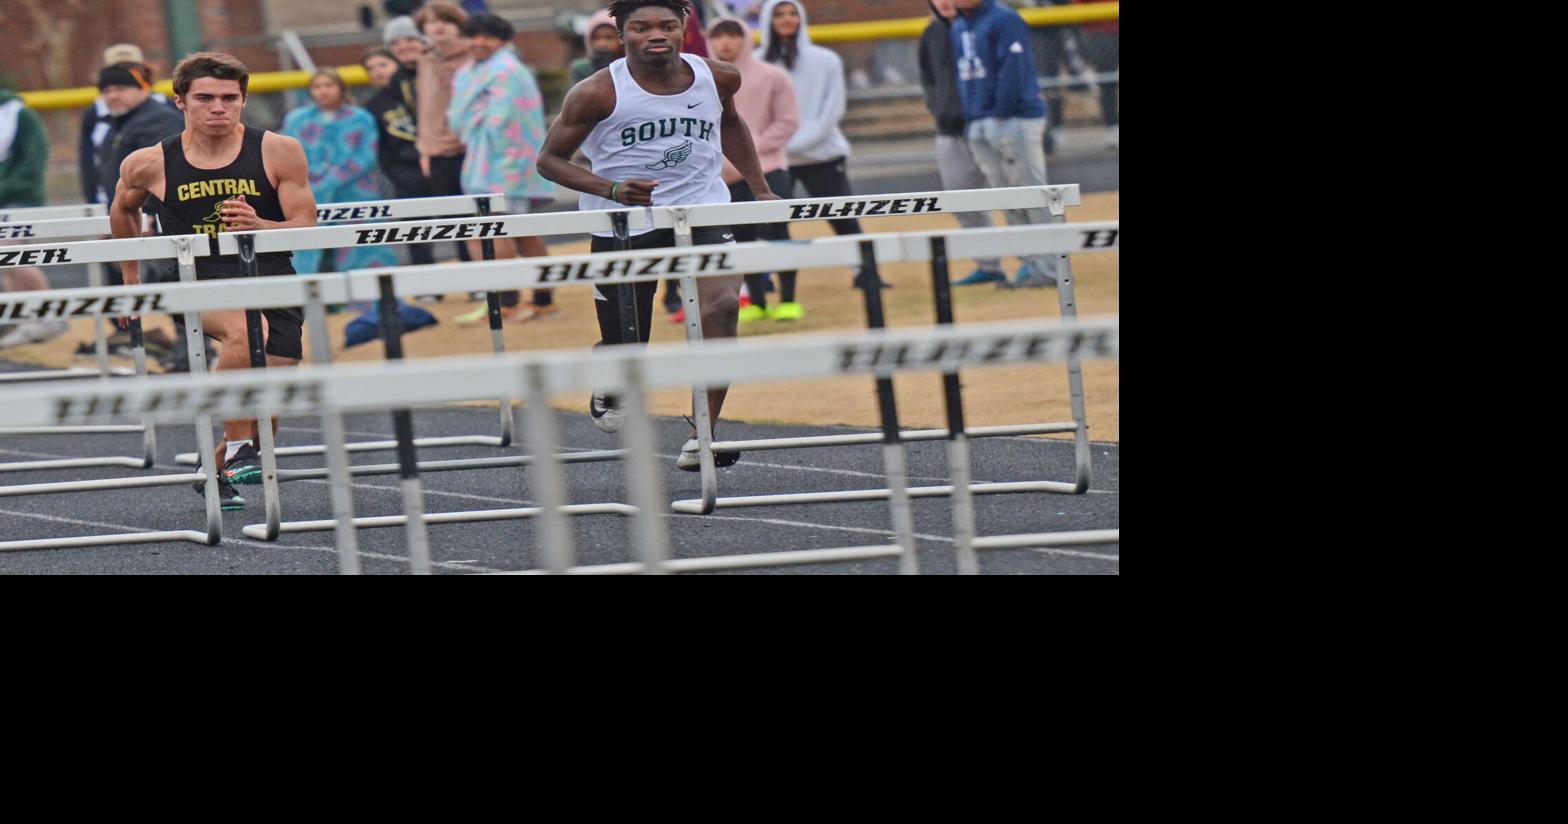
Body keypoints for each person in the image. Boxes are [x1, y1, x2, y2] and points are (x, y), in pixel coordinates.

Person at [537, 0, 779, 470]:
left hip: (701, 211)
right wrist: (611, 188)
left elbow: (730, 122)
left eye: (667, 25)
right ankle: (611, 375)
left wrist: (760, 187)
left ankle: (703, 433)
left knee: (723, 307)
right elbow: (549, 161)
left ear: (685, 28)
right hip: (624, 222)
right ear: (620, 34)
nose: (656, 35)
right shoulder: (596, 93)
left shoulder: (718, 76)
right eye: (641, 27)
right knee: (629, 342)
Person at [110, 52, 319, 510]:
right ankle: (240, 449)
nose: (218, 108)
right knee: (248, 334)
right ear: (180, 101)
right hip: (195, 277)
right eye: (205, 98)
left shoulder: (278, 150)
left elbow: (305, 222)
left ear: (244, 101)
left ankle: (217, 468)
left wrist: (263, 226)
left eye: (230, 98)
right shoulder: (151, 162)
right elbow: (122, 209)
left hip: (270, 274)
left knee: (267, 405)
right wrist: (130, 282)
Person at [756, 0, 884, 290]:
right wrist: (776, 145)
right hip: (774, 158)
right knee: (769, 222)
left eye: (792, 13)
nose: (787, 19)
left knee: (843, 218)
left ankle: (866, 274)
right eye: (779, 14)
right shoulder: (757, 61)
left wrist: (800, 141)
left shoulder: (826, 60)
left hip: (821, 154)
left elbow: (833, 109)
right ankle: (764, 281)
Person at [446, 12, 558, 324]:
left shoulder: (505, 69)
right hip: (495, 160)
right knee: (520, 231)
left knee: (490, 228)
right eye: (473, 35)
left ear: (503, 40)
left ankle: (507, 303)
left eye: (488, 37)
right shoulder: (476, 69)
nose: (479, 42)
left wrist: (469, 126)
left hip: (502, 161)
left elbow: (501, 117)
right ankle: (542, 300)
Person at [953, 0, 1060, 288]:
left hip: (1013, 117)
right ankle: (1029, 264)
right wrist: (974, 115)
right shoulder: (960, 25)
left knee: (1031, 193)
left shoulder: (1003, 18)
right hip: (980, 119)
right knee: (1005, 197)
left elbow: (1014, 69)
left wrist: (1001, 111)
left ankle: (1050, 268)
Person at [706, 14, 800, 322]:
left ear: (746, 38)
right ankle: (757, 301)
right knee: (740, 239)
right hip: (722, 177)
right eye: (719, 35)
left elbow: (787, 121)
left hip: (770, 170)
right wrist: (723, 163)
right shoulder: (698, 80)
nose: (726, 42)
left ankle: (788, 299)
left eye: (733, 34)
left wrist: (746, 153)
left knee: (777, 233)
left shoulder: (772, 76)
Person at [918, 0, 1006, 286]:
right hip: (949, 130)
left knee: (1016, 198)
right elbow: (929, 79)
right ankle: (988, 265)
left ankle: (1037, 264)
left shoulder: (988, 24)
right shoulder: (931, 33)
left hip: (992, 126)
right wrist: (940, 108)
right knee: (962, 201)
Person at [280, 68, 398, 274]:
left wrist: (332, 178)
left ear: (341, 89)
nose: (323, 91)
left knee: (362, 243)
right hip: (310, 193)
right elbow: (285, 152)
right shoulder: (297, 119)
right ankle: (306, 299)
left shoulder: (361, 118)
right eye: (317, 87)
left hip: (355, 193)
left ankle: (371, 298)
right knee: (307, 246)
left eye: (329, 85)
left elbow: (366, 156)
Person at [415, 1, 480, 267]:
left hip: (468, 149)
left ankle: (486, 278)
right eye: (431, 21)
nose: (438, 26)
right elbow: (425, 107)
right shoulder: (425, 57)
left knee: (475, 218)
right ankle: (468, 275)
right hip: (435, 151)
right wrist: (425, 148)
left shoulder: (473, 56)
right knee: (452, 219)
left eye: (446, 20)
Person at [0, 88, 66, 349]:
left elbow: (32, 164)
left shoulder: (20, 115)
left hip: (19, 199)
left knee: (9, 254)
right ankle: (27, 320)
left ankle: (48, 315)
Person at [369, 19, 437, 269]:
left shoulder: (439, 67)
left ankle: (478, 282)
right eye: (396, 43)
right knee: (417, 227)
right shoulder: (397, 83)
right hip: (408, 168)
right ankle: (427, 283)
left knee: (461, 220)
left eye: (410, 40)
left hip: (445, 156)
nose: (404, 46)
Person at [79, 44, 175, 207]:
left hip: (144, 213)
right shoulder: (111, 118)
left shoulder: (161, 115)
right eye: (107, 91)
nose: (113, 96)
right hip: (120, 207)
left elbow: (162, 172)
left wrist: (150, 213)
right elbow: (89, 161)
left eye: (121, 88)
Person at [570, 9, 622, 86]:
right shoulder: (582, 68)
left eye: (609, 38)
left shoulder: (630, 67)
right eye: (596, 38)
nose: (602, 44)